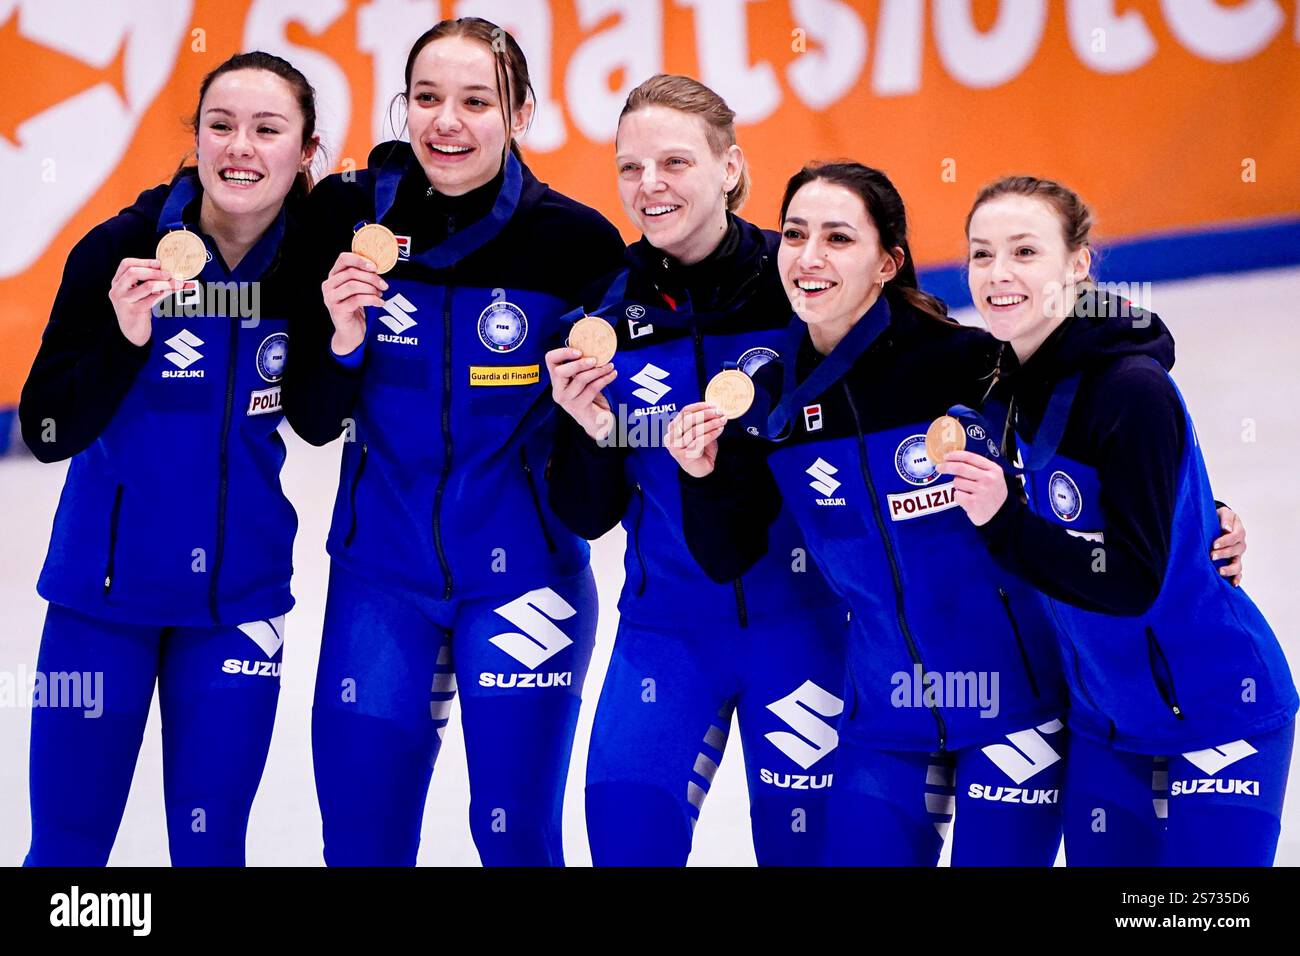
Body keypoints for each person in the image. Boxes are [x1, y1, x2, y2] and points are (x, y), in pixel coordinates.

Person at [284, 17, 624, 866]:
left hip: (525, 581)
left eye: (476, 101)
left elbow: (600, 470)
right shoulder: (346, 212)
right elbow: (315, 421)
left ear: (521, 113)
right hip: (379, 579)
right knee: (362, 840)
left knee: (514, 841)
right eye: (427, 98)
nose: (446, 121)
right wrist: (340, 339)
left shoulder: (574, 242)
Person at [18, 51, 319, 865]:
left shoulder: (307, 269)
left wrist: (350, 341)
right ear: (196, 140)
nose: (240, 148)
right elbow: (47, 431)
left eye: (267, 129)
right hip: (100, 602)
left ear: (305, 151)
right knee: (69, 847)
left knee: (212, 844)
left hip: (240, 606)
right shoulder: (119, 247)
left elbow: (323, 422)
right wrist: (122, 341)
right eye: (220, 126)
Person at [945, 175, 1295, 865]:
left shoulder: (1132, 392)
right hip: (1105, 722)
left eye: (1024, 251)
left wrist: (1004, 523)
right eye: (981, 254)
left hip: (1218, 708)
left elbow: (1134, 580)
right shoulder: (1000, 384)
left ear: (1077, 263)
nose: (997, 274)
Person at [545, 75, 848, 866]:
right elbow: (588, 514)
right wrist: (585, 431)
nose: (649, 187)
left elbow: (950, 383)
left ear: (729, 167)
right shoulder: (603, 313)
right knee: (623, 838)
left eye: (674, 163)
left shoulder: (806, 285)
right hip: (665, 633)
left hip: (811, 628)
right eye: (630, 168)